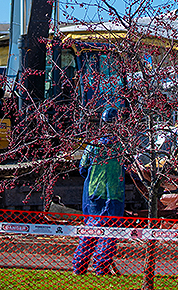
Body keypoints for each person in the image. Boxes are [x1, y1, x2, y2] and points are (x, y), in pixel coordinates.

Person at [72, 106, 124, 275]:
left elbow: (83, 168)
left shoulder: (93, 145)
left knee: (91, 229)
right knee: (110, 231)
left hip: (94, 193)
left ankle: (79, 267)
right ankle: (101, 268)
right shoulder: (122, 147)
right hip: (114, 194)